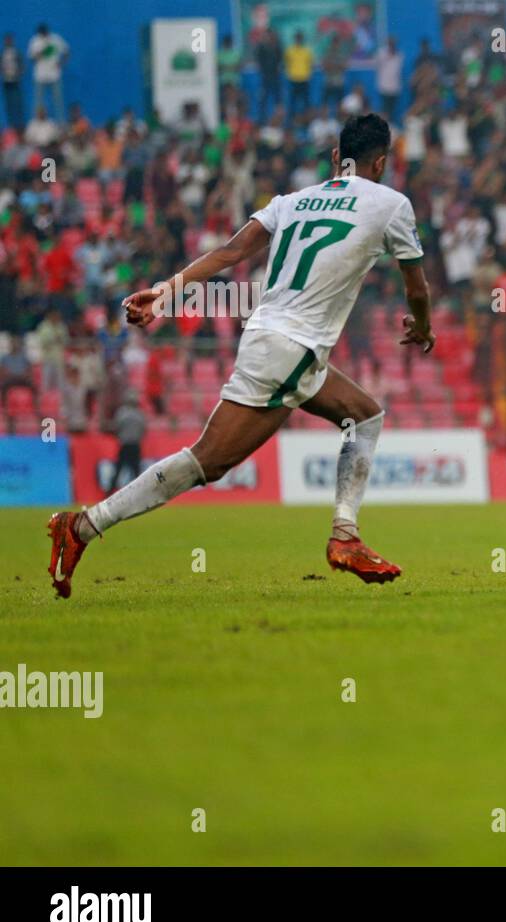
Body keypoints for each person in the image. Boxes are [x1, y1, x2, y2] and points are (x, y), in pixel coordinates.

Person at [46, 114, 435, 599]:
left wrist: (165, 292)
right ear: (381, 162)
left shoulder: (291, 202)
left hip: (275, 340)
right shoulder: (392, 204)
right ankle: (82, 526)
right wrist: (422, 327)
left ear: (337, 158)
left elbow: (229, 253)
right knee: (207, 462)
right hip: (292, 348)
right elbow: (415, 287)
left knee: (365, 416)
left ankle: (345, 535)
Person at [27, 24, 68, 123]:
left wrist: (61, 63)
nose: (43, 35)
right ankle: (37, 124)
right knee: (38, 102)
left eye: (45, 33)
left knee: (58, 101)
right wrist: (42, 53)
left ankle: (61, 123)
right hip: (40, 76)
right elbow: (31, 58)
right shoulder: (35, 41)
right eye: (41, 34)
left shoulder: (56, 39)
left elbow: (67, 51)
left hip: (54, 75)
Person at [109, 390, 147, 490]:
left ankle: (110, 491)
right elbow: (143, 430)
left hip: (125, 445)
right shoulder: (140, 414)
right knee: (136, 471)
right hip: (135, 445)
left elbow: (116, 427)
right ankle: (140, 491)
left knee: (118, 469)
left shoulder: (122, 412)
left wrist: (120, 436)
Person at [285, 31, 314, 118]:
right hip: (293, 79)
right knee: (292, 102)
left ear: (302, 39)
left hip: (304, 79)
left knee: (306, 102)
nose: (298, 40)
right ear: (295, 39)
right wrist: (289, 74)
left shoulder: (307, 51)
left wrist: (308, 74)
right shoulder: (289, 50)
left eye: (300, 38)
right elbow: (287, 63)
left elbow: (310, 64)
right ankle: (291, 120)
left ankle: (307, 120)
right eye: (297, 38)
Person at [2, 33, 23, 131]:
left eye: (9, 40)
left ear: (12, 41)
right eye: (6, 40)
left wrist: (18, 74)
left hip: (15, 81)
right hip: (6, 81)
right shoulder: (2, 53)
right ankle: (10, 127)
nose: (8, 42)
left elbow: (22, 66)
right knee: (9, 105)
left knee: (17, 104)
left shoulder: (16, 52)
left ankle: (19, 125)